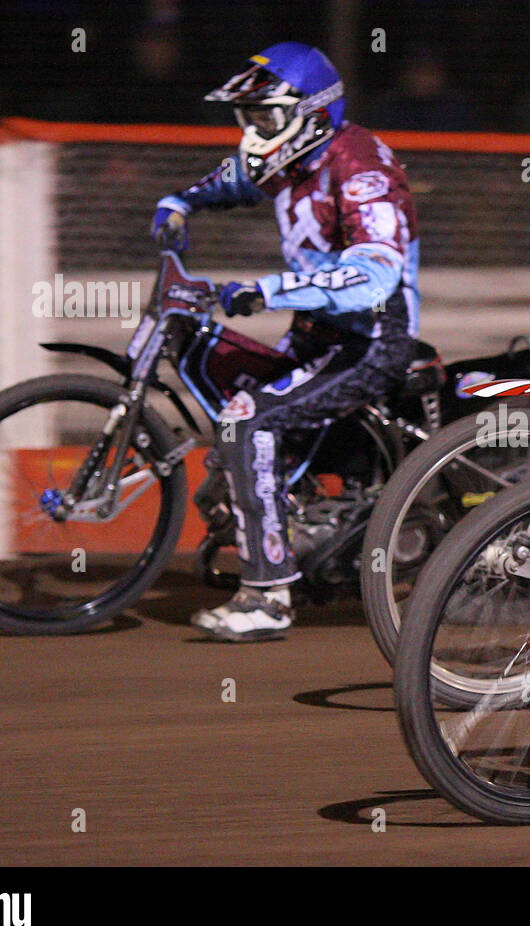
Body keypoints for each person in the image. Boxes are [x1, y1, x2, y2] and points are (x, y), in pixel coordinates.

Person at [150, 42, 420, 642]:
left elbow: (379, 272)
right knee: (231, 423)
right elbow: (233, 180)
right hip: (315, 333)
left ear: (314, 113)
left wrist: (267, 290)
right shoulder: (293, 156)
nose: (252, 135)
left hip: (371, 338)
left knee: (247, 421)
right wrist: (181, 202)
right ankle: (298, 525)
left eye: (265, 118)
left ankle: (268, 598)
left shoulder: (361, 166)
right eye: (247, 119)